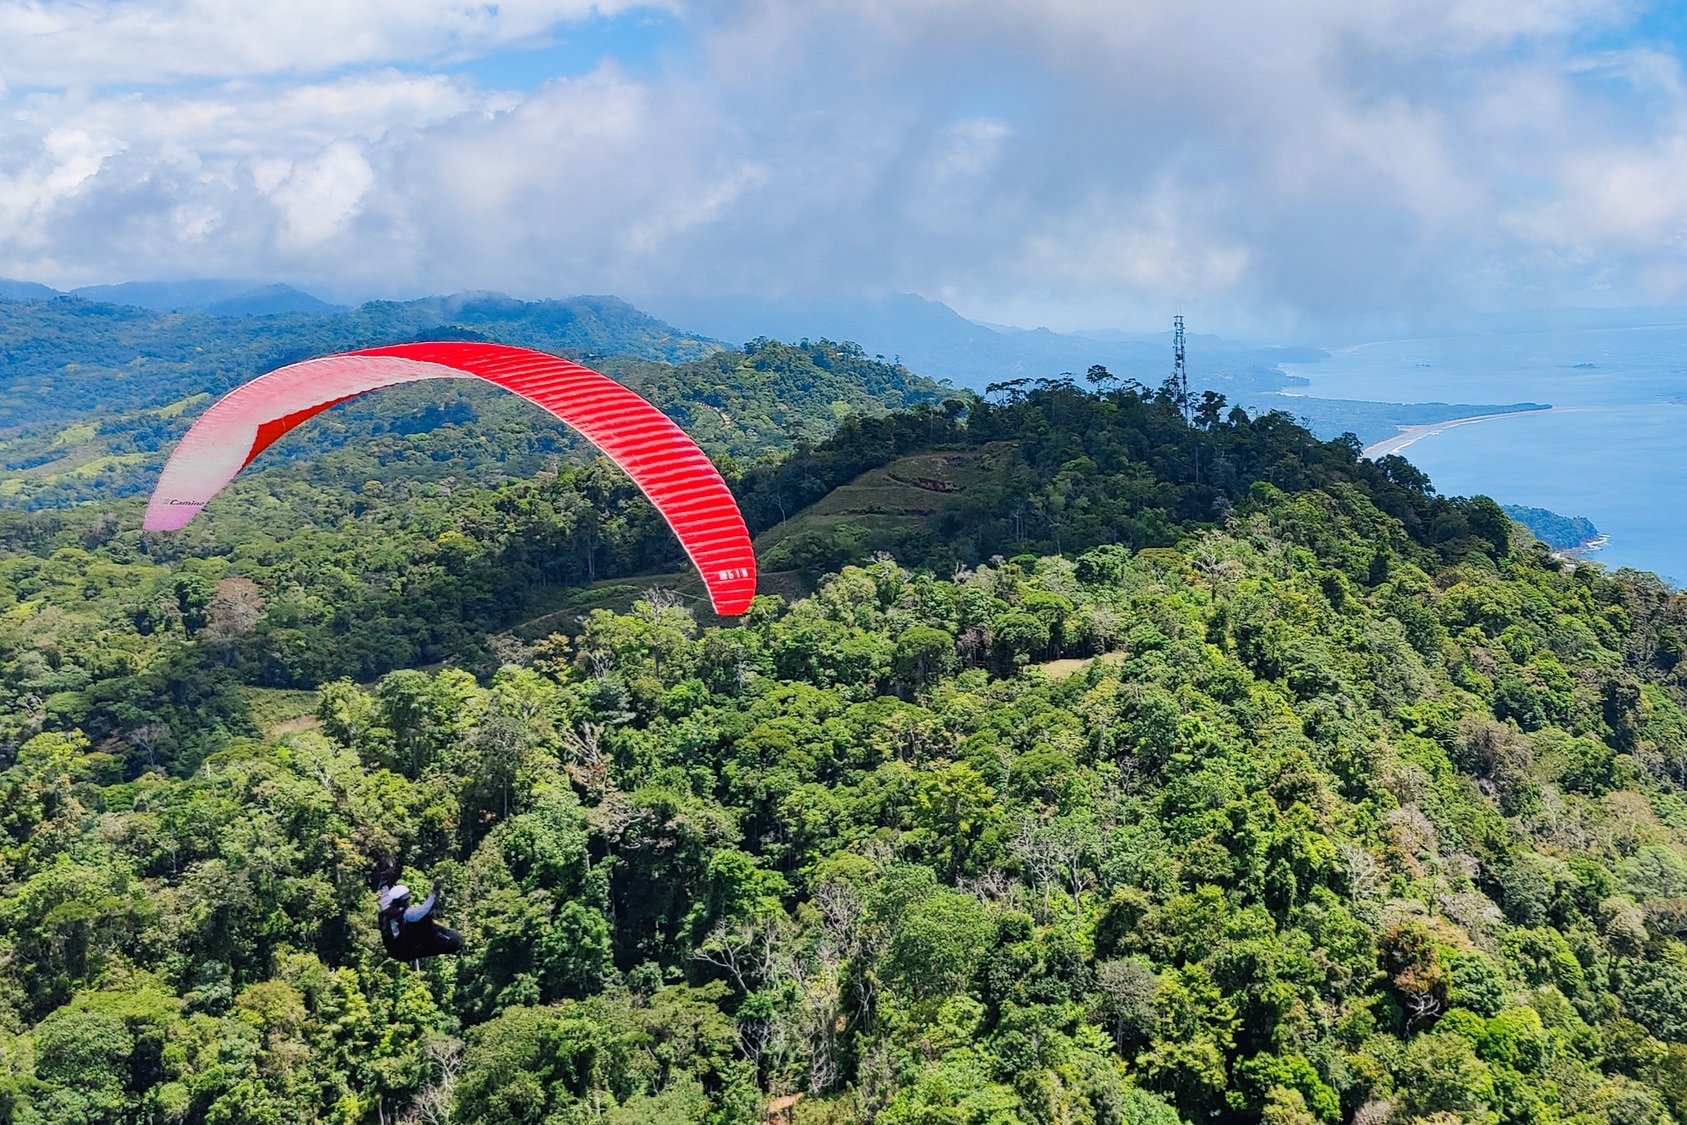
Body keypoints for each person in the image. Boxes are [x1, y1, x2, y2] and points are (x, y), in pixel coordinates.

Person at [376, 878, 463, 961]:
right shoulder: (402, 914)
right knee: (425, 922)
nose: (408, 902)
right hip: (403, 950)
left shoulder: (385, 911)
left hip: (396, 949)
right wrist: (434, 895)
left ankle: (444, 939)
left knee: (422, 923)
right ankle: (446, 940)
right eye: (406, 899)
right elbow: (420, 913)